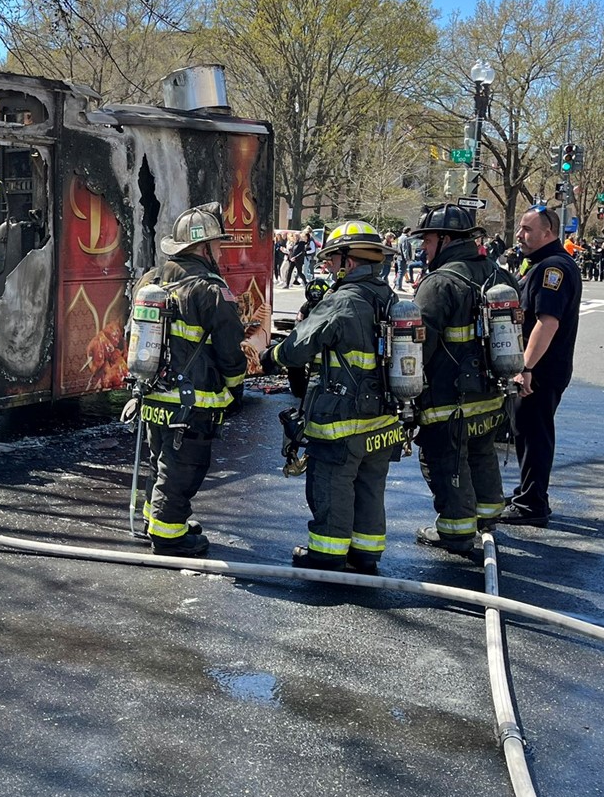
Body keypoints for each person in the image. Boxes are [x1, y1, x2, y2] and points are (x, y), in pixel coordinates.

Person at [268, 219, 406, 575]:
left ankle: (326, 554)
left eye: (332, 259)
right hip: (383, 418)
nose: (327, 266)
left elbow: (297, 350)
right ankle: (365, 554)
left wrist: (269, 357)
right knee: (370, 487)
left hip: (343, 417)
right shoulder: (389, 298)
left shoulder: (342, 302)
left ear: (349, 261)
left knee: (332, 483)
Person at [126, 202, 248, 558]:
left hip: (153, 393)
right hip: (191, 401)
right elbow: (230, 347)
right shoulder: (210, 289)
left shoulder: (152, 280)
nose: (220, 251)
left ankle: (154, 519)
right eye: (217, 245)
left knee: (160, 460)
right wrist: (236, 386)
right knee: (184, 467)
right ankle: (169, 536)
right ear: (204, 247)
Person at [407, 205, 521, 558]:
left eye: (427, 240)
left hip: (448, 397)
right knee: (480, 452)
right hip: (490, 393)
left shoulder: (439, 283)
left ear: (446, 239)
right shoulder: (499, 275)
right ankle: (487, 516)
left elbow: (419, 346)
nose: (423, 248)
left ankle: (455, 532)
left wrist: (405, 392)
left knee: (445, 459)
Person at [499, 203, 583, 528]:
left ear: (548, 233)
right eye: (521, 228)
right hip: (539, 368)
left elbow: (547, 323)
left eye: (527, 229)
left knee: (535, 435)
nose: (520, 235)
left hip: (542, 370)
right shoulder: (540, 264)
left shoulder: (553, 268)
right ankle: (528, 495)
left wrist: (526, 368)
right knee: (526, 432)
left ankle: (531, 504)